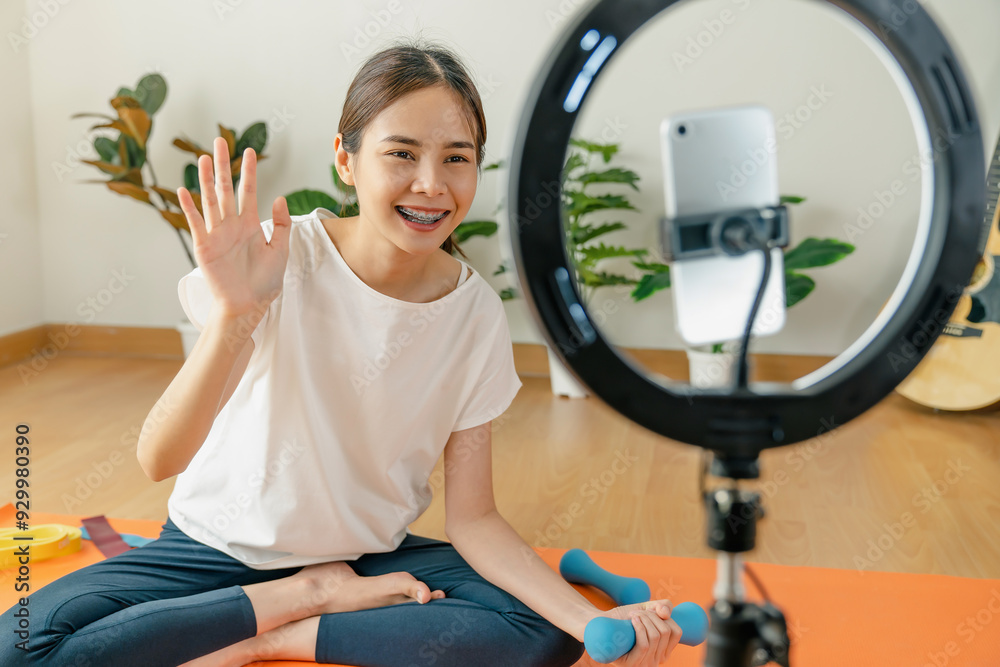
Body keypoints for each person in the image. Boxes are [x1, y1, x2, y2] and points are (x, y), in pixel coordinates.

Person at [0, 41, 680, 666]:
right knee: (21, 645)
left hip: (368, 557)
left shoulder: (473, 313)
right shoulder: (276, 259)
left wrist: (595, 625)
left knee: (542, 633)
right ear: (345, 157)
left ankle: (280, 631)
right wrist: (236, 314)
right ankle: (302, 598)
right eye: (402, 153)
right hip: (205, 552)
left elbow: (473, 516)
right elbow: (159, 457)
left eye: (456, 157)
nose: (431, 185)